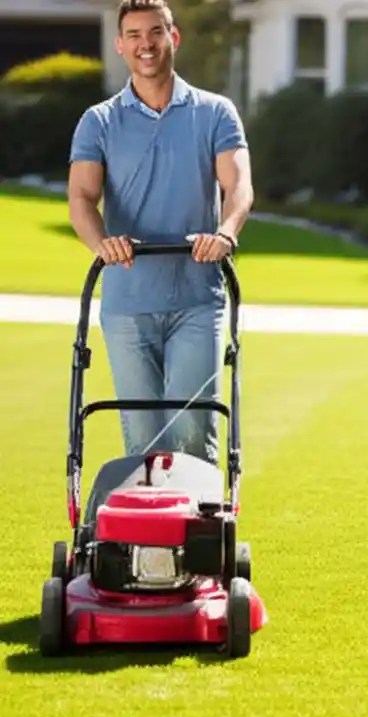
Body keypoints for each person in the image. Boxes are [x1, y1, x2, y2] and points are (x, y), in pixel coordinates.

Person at [67, 0, 253, 465]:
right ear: (120, 45)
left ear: (174, 37)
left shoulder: (215, 113)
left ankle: (199, 535)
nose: (145, 45)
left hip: (197, 298)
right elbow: (81, 199)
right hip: (128, 304)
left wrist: (226, 234)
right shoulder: (99, 121)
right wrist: (102, 244)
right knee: (143, 440)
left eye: (154, 32)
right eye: (133, 35)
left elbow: (238, 187)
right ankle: (149, 538)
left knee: (192, 431)